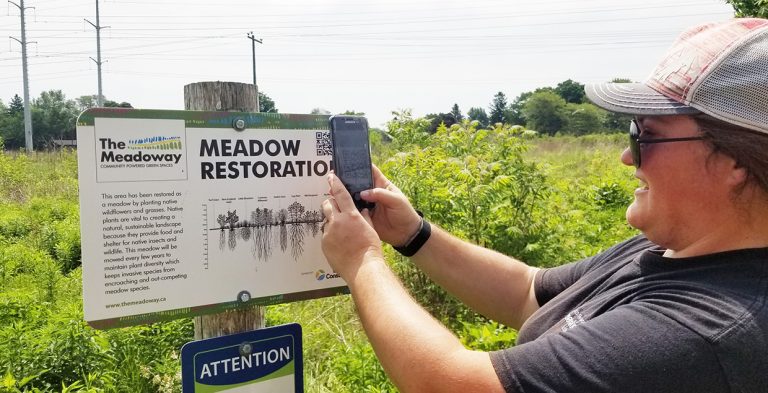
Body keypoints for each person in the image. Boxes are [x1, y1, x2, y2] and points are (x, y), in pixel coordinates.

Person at [320, 18, 768, 393]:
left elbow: (454, 385)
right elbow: (527, 292)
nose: (627, 155)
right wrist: (413, 234)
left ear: (735, 160)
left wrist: (362, 260)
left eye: (644, 133)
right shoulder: (673, 248)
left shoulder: (705, 329)